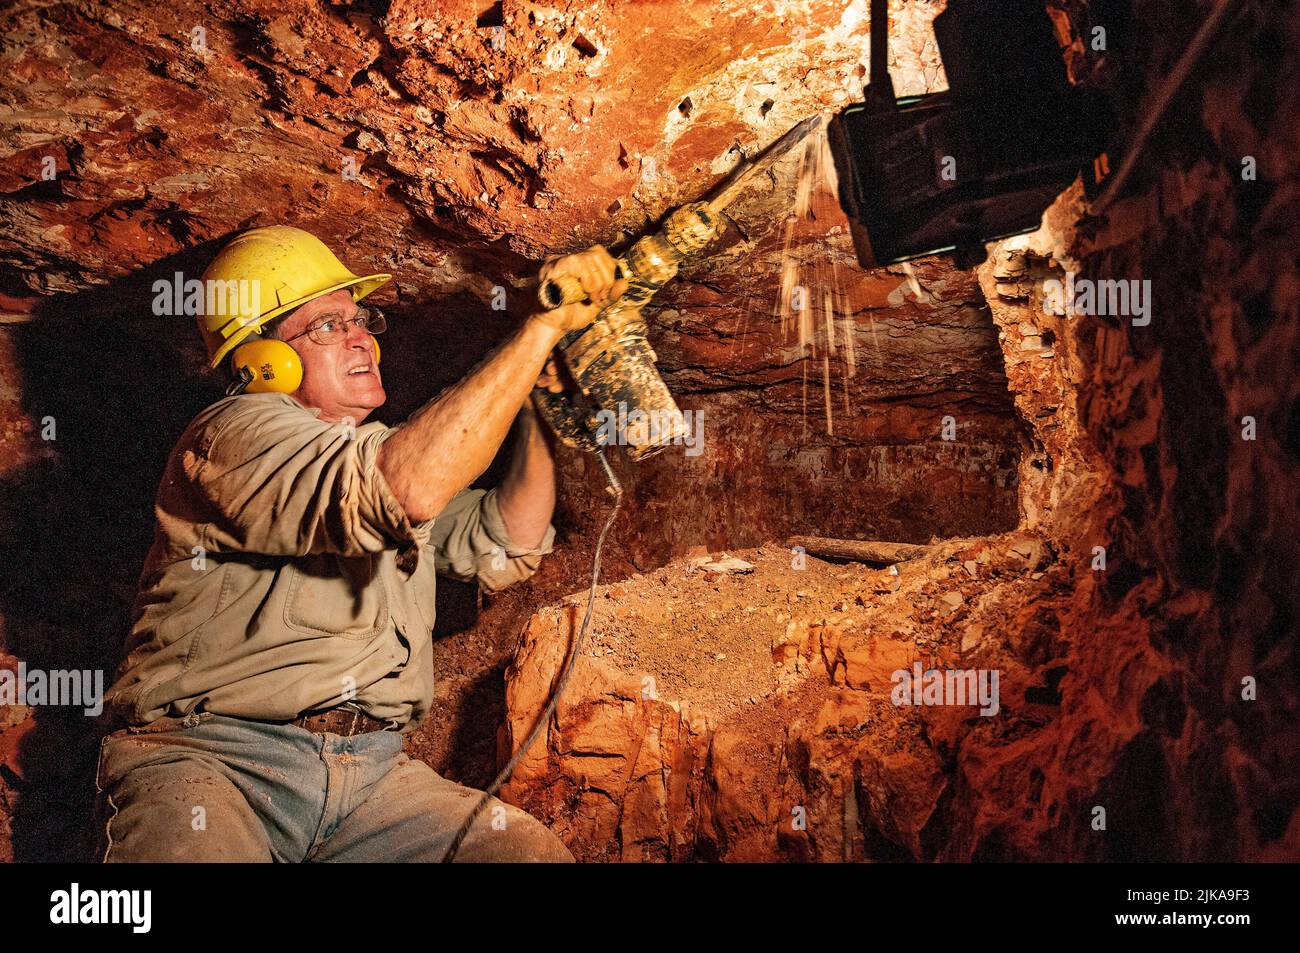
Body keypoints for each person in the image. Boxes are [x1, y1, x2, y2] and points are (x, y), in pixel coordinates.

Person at [95, 226, 625, 862]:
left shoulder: (382, 458)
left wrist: (535, 401)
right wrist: (538, 330)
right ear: (263, 363)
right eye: (325, 326)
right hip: (216, 761)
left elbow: (506, 540)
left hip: (371, 776)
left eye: (360, 319)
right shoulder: (231, 436)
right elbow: (403, 490)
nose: (361, 338)